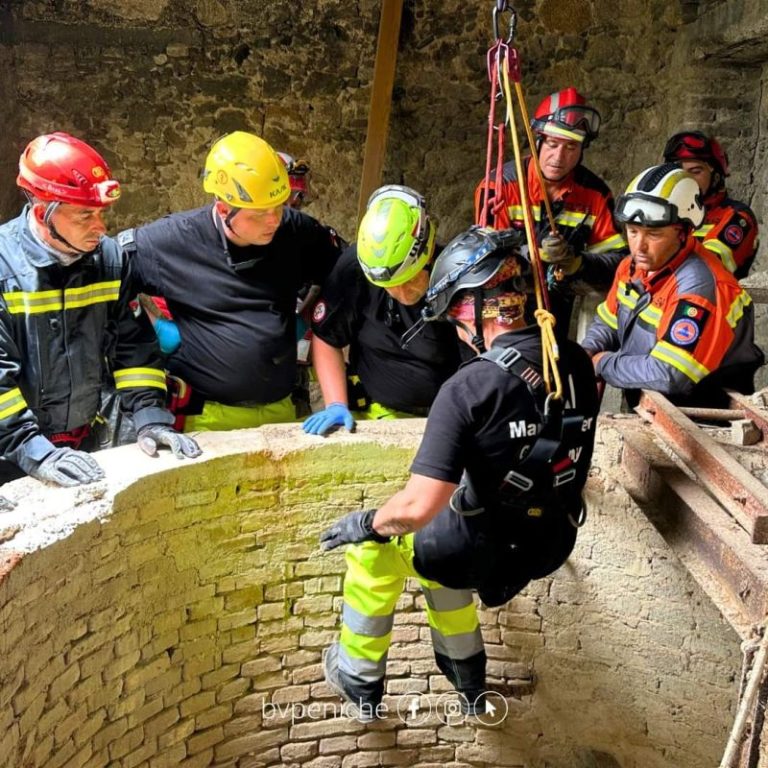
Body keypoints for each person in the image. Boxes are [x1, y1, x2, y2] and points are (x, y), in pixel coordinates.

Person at [319, 226, 599, 720]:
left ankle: (358, 680)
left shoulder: (469, 388)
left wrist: (364, 524)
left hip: (485, 550)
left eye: (453, 315)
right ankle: (469, 686)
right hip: (550, 541)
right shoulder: (574, 361)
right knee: (439, 550)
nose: (455, 329)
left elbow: (414, 508)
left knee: (380, 549)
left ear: (473, 312)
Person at [0, 132, 200, 487]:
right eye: (85, 216)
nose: (101, 228)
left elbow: (134, 349)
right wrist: (35, 452)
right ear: (44, 213)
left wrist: (150, 417)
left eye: (101, 213)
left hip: (84, 438)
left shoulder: (110, 260)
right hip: (12, 455)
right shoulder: (5, 269)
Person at [118, 131, 343, 432]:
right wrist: (153, 328)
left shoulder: (297, 232)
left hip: (282, 408)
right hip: (206, 415)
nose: (274, 220)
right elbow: (108, 274)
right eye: (259, 213)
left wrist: (313, 318)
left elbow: (345, 274)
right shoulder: (172, 240)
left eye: (278, 206)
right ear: (224, 209)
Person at [582, 163, 764, 409]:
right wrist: (588, 350)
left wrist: (602, 363)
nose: (639, 246)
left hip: (701, 414)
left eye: (653, 235)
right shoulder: (632, 267)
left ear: (682, 232)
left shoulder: (699, 288)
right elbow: (608, 320)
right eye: (633, 232)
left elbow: (668, 374)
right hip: (648, 401)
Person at [303, 185, 463, 435]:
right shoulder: (354, 269)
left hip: (449, 414)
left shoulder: (457, 274)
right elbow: (326, 336)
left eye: (410, 279)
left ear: (429, 254)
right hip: (375, 410)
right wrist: (335, 403)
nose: (401, 292)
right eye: (389, 286)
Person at [475, 86, 628, 335]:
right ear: (538, 141)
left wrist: (577, 262)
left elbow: (619, 264)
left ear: (582, 150)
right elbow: (485, 261)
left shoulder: (595, 195)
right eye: (553, 144)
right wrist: (533, 255)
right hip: (504, 306)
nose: (559, 157)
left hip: (558, 306)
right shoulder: (500, 186)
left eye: (571, 148)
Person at [663, 131, 758, 278]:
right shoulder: (669, 213)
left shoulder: (738, 217)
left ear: (716, 176)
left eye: (695, 171)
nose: (686, 180)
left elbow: (702, 273)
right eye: (679, 173)